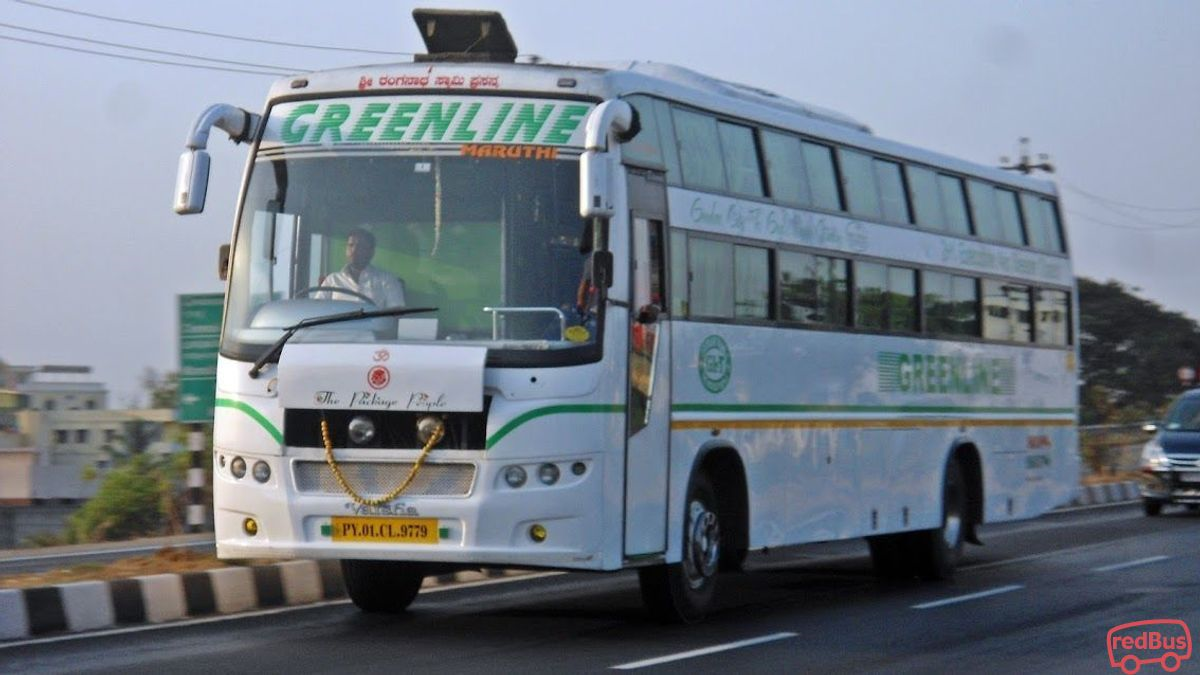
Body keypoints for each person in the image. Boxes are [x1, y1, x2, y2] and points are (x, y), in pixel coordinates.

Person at [320, 227, 407, 307]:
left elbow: (396, 312)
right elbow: (318, 309)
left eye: (360, 246)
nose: (354, 250)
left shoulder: (387, 280)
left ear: (371, 252)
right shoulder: (332, 280)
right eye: (350, 245)